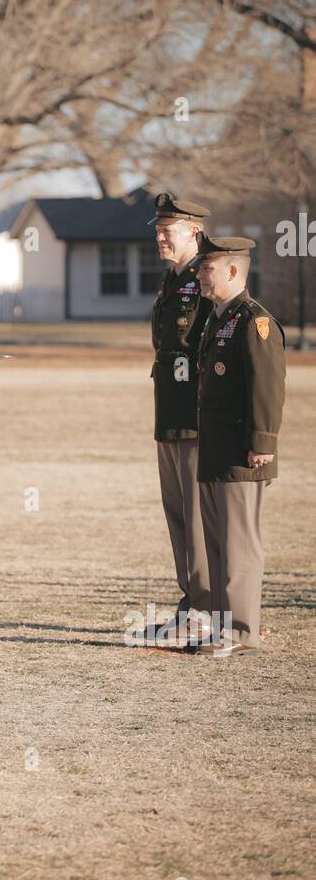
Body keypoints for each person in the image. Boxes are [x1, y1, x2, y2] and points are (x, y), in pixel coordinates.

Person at [195, 233, 286, 658]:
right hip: (216, 449)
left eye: (206, 267)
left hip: (241, 452)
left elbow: (266, 385)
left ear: (233, 271)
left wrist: (262, 441)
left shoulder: (254, 321)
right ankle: (220, 625)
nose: (199, 274)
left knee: (240, 544)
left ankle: (242, 630)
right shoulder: (217, 317)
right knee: (217, 544)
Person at [150, 192, 214, 646]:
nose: (159, 236)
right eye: (157, 228)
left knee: (197, 518)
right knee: (177, 516)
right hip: (168, 413)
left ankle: (208, 611)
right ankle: (190, 605)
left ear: (192, 229)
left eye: (167, 230)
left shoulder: (207, 277)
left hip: (196, 416)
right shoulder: (172, 279)